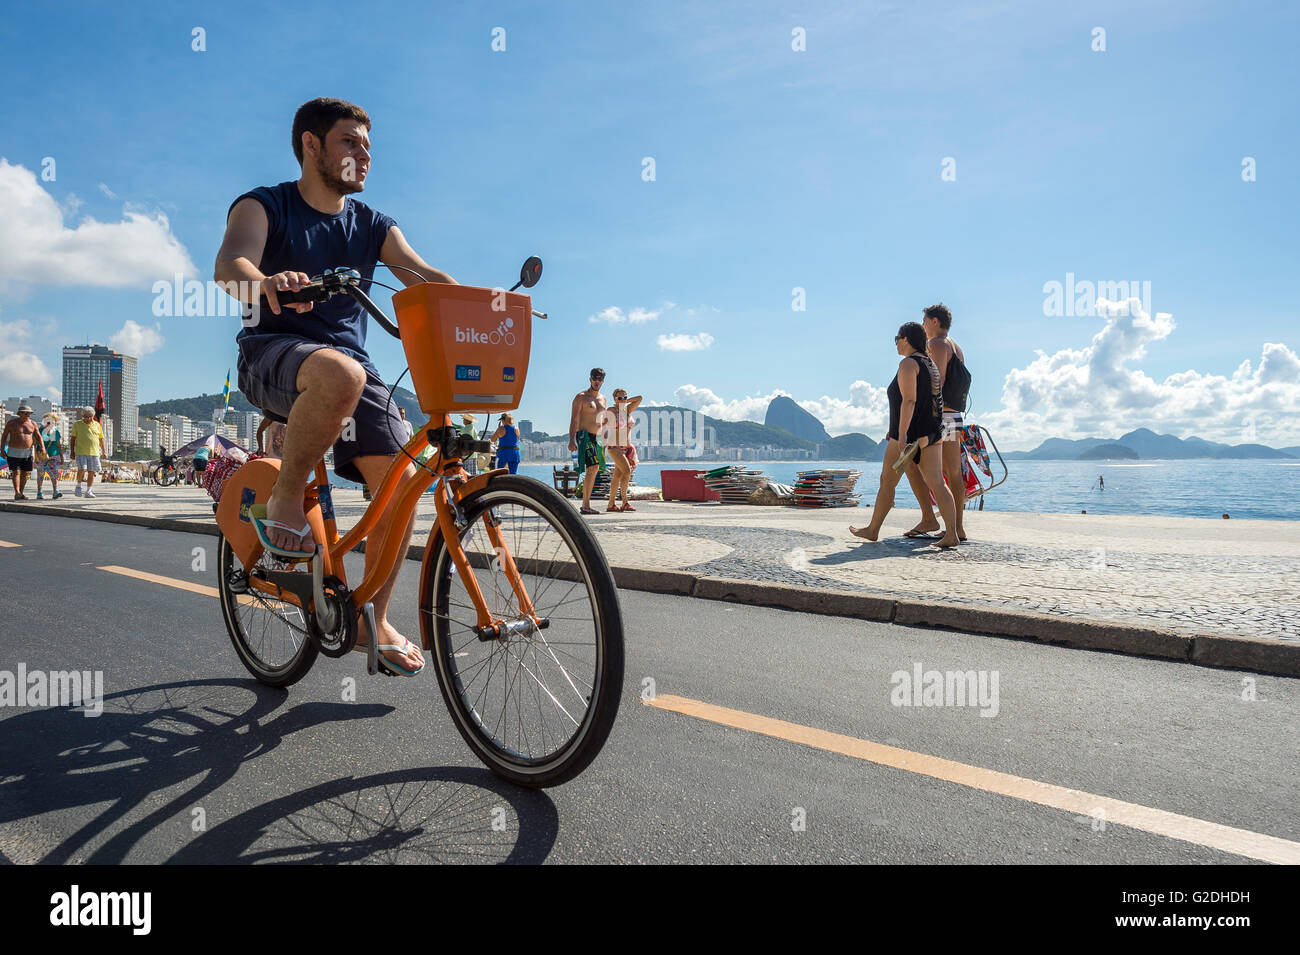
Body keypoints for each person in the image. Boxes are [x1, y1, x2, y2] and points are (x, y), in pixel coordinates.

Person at [214, 97, 458, 677]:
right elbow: (230, 265)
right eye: (350, 141)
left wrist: (491, 304)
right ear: (311, 145)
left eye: (367, 145)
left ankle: (370, 616)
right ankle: (284, 505)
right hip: (271, 352)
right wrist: (265, 280)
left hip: (351, 368)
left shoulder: (372, 223)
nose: (363, 154)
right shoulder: (264, 205)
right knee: (340, 373)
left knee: (402, 479)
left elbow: (424, 275)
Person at [850, 323, 960, 548]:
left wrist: (900, 434)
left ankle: (873, 530)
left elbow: (909, 400)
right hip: (931, 433)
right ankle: (951, 534)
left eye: (897, 338)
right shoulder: (930, 365)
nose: (896, 343)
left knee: (887, 481)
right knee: (937, 482)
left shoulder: (908, 364)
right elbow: (932, 403)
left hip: (909, 435)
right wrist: (931, 433)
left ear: (906, 339)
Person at [901, 304, 971, 541]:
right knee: (952, 472)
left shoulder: (937, 344)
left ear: (934, 321)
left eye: (924, 319)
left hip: (940, 417)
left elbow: (936, 381)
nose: (922, 324)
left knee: (916, 465)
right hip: (954, 416)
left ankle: (934, 520)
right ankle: (956, 527)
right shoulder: (956, 346)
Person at [568, 368, 607, 515]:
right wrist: (572, 440)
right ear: (590, 379)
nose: (597, 381)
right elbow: (574, 419)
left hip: (597, 438)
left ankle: (586, 504)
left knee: (594, 468)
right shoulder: (581, 397)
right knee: (594, 467)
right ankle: (585, 504)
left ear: (603, 381)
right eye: (594, 378)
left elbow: (602, 420)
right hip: (584, 436)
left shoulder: (603, 398)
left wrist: (604, 438)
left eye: (600, 379)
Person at [601, 388, 642, 511]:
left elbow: (639, 398)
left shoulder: (627, 410)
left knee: (617, 477)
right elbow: (602, 425)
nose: (623, 400)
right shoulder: (612, 410)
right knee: (627, 471)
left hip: (626, 448)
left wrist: (625, 402)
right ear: (614, 399)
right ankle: (625, 502)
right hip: (614, 447)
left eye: (625, 397)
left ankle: (611, 504)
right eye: (619, 398)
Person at [1, 404, 41, 500]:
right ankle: (17, 492)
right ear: (19, 413)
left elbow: (38, 436)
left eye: (29, 413)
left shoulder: (33, 424)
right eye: (26, 413)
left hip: (27, 452)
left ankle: (21, 493)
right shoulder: (11, 423)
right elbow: (4, 436)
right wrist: (2, 449)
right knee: (16, 472)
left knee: (25, 473)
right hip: (13, 451)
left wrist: (42, 447)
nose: (28, 415)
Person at [71, 407, 107, 499]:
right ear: (83, 416)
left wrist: (104, 451)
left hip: (94, 452)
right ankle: (78, 486)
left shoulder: (97, 425)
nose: (88, 418)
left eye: (90, 416)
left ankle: (88, 491)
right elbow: (73, 439)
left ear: (93, 416)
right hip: (80, 451)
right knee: (82, 469)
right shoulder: (77, 424)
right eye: (86, 416)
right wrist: (72, 451)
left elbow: (101, 439)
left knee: (91, 472)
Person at [35, 412, 64, 499]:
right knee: (40, 474)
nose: (49, 423)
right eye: (47, 421)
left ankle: (55, 491)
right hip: (41, 455)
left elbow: (59, 445)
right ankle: (39, 492)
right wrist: (35, 456)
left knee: (54, 474)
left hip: (54, 455)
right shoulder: (39, 431)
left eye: (52, 421)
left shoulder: (56, 432)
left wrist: (61, 457)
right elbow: (34, 444)